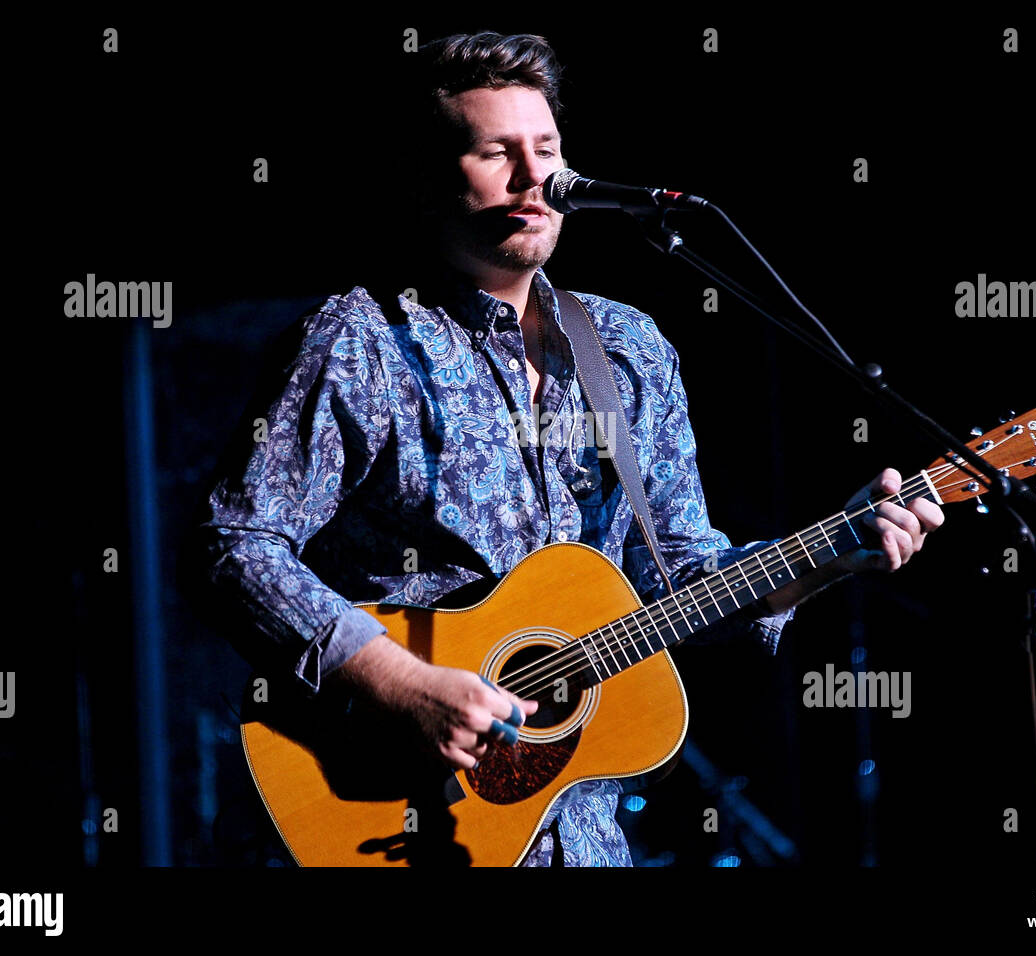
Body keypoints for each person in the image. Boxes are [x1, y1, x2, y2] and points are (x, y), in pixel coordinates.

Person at [193, 31, 943, 866]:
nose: (533, 176)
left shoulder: (627, 348)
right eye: (496, 152)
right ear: (430, 178)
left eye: (545, 149)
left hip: (581, 839)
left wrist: (831, 553)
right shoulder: (360, 344)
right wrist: (403, 685)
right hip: (387, 817)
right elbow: (232, 546)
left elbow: (682, 578)